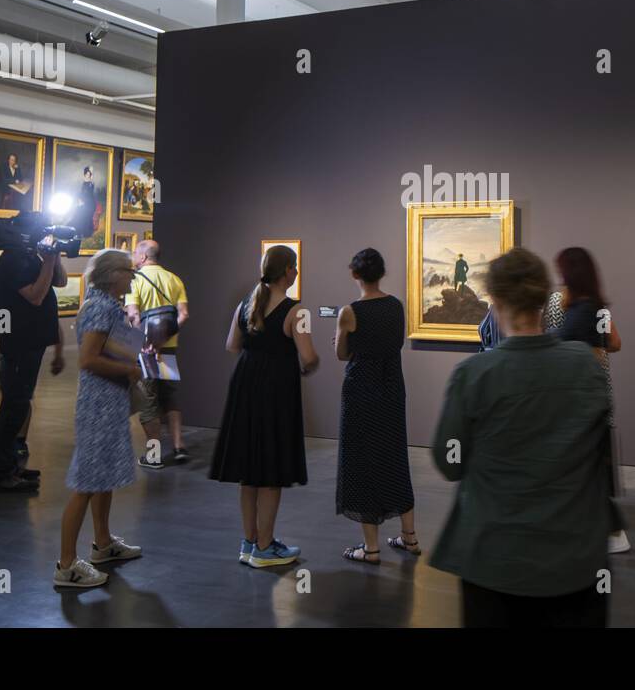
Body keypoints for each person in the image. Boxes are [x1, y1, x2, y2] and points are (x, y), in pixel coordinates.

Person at [429, 247, 610, 628]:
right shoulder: (584, 366)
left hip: (494, 560)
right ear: (544, 298)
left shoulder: (474, 375)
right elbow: (597, 453)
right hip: (575, 560)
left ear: (493, 300)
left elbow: (450, 464)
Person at [210, 244, 318, 568]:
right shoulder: (297, 311)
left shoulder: (246, 303)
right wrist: (309, 366)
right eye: (295, 266)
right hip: (276, 389)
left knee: (249, 469)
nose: (296, 271)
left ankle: (249, 541)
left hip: (245, 384)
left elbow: (232, 345)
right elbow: (309, 357)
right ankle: (266, 546)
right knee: (271, 468)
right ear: (287, 272)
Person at [54, 249, 143, 587]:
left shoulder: (106, 305)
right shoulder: (101, 307)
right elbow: (88, 360)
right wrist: (130, 369)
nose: (133, 277)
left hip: (109, 401)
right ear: (111, 274)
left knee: (101, 477)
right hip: (98, 404)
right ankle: (66, 564)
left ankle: (103, 544)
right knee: (87, 483)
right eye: (128, 271)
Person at [334, 248, 418, 564]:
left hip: (361, 391)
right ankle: (410, 537)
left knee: (362, 463)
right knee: (395, 456)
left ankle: (370, 548)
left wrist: (342, 340)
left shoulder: (350, 312)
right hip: (392, 389)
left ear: (355, 274)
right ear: (381, 273)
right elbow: (392, 344)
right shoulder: (396, 306)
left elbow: (342, 354)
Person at [542, 247, 628, 554]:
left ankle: (611, 532)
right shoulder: (596, 306)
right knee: (590, 466)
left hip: (577, 398)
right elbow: (615, 343)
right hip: (596, 391)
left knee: (583, 467)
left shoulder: (559, 304)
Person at [0, 220, 67, 493]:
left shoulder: (28, 258)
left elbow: (60, 281)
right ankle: (1, 472)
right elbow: (35, 296)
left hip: (30, 343)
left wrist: (52, 257)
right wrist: (46, 262)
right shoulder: (12, 261)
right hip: (19, 343)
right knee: (13, 406)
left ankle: (12, 466)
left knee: (19, 405)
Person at [125, 239, 190, 467]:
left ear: (143, 257)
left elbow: (133, 316)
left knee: (148, 401)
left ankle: (153, 456)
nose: (133, 256)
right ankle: (179, 446)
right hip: (169, 346)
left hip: (146, 349)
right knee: (169, 396)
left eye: (134, 253)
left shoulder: (134, 281)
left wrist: (146, 342)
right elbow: (183, 315)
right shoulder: (174, 279)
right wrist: (164, 338)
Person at [72, 167, 98, 238]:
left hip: (90, 203)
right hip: (85, 203)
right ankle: (80, 232)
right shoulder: (83, 183)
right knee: (80, 215)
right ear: (84, 174)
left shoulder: (91, 183)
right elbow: (82, 194)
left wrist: (83, 202)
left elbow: (89, 194)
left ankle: (86, 233)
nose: (88, 176)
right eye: (86, 174)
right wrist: (80, 201)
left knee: (87, 217)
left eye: (89, 174)